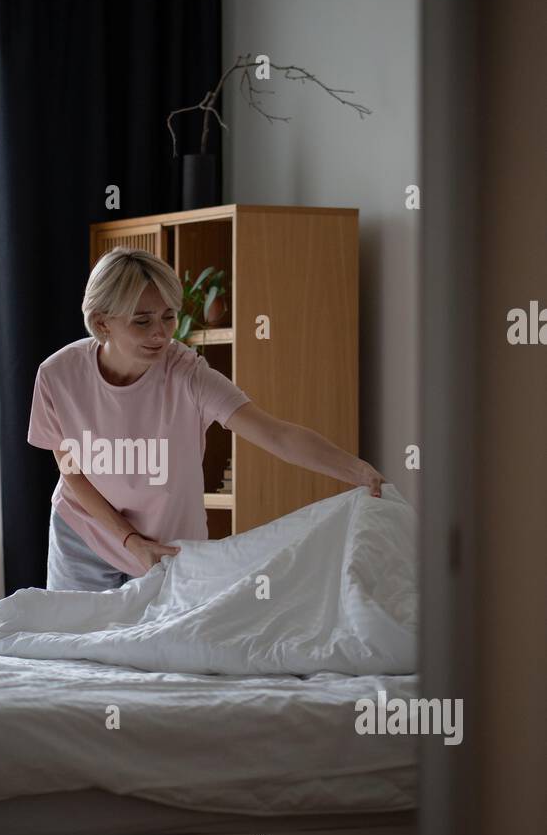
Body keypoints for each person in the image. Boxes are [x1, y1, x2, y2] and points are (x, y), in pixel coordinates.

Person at [28, 247, 384, 592]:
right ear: (102, 322)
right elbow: (70, 470)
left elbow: (275, 435)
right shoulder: (58, 376)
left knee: (158, 650)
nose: (161, 332)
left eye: (168, 316)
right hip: (86, 532)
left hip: (167, 545)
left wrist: (358, 471)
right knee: (70, 646)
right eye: (142, 320)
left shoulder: (188, 375)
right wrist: (128, 539)